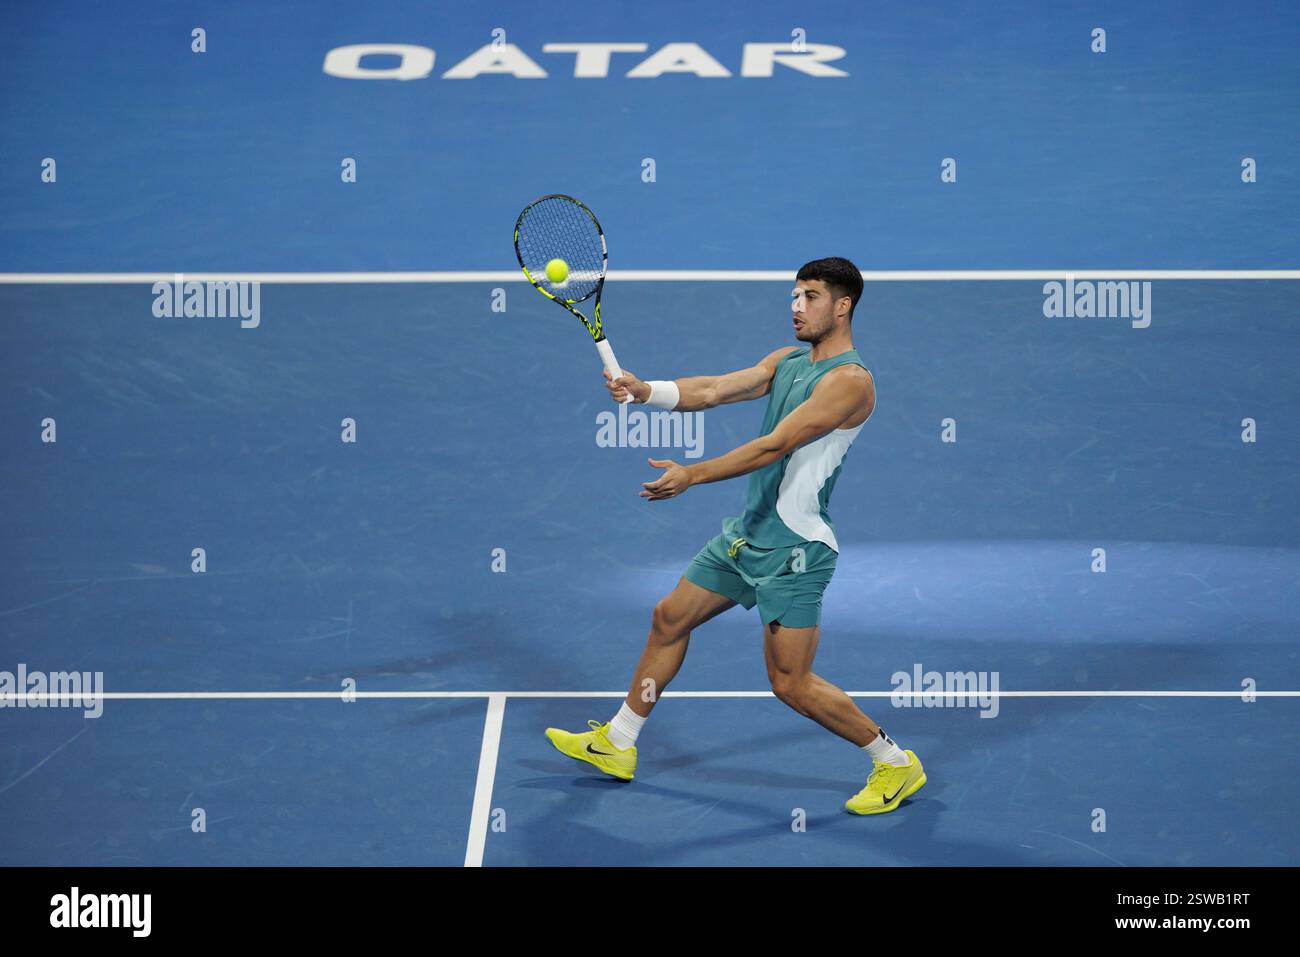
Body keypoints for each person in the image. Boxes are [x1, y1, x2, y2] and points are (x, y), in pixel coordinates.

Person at [545, 257, 926, 815]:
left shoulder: (850, 383)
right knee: (669, 618)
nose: (796, 306)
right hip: (747, 537)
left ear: (842, 307)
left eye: (811, 296)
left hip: (794, 552)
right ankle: (618, 742)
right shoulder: (788, 360)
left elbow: (775, 445)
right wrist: (647, 390)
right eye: (794, 294)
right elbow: (716, 389)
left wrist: (692, 474)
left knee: (790, 683)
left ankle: (894, 762)